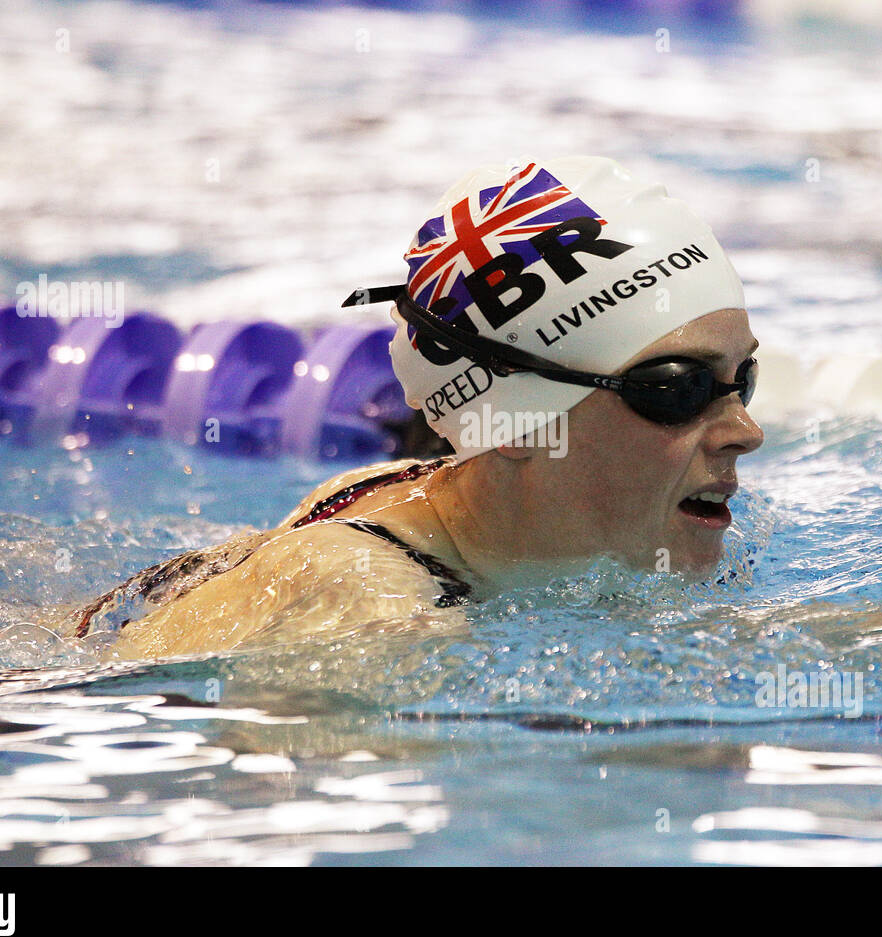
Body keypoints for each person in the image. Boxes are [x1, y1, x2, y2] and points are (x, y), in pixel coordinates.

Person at [61, 156, 765, 658]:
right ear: (517, 420)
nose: (745, 431)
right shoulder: (368, 612)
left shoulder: (393, 502)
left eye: (743, 378)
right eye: (677, 389)